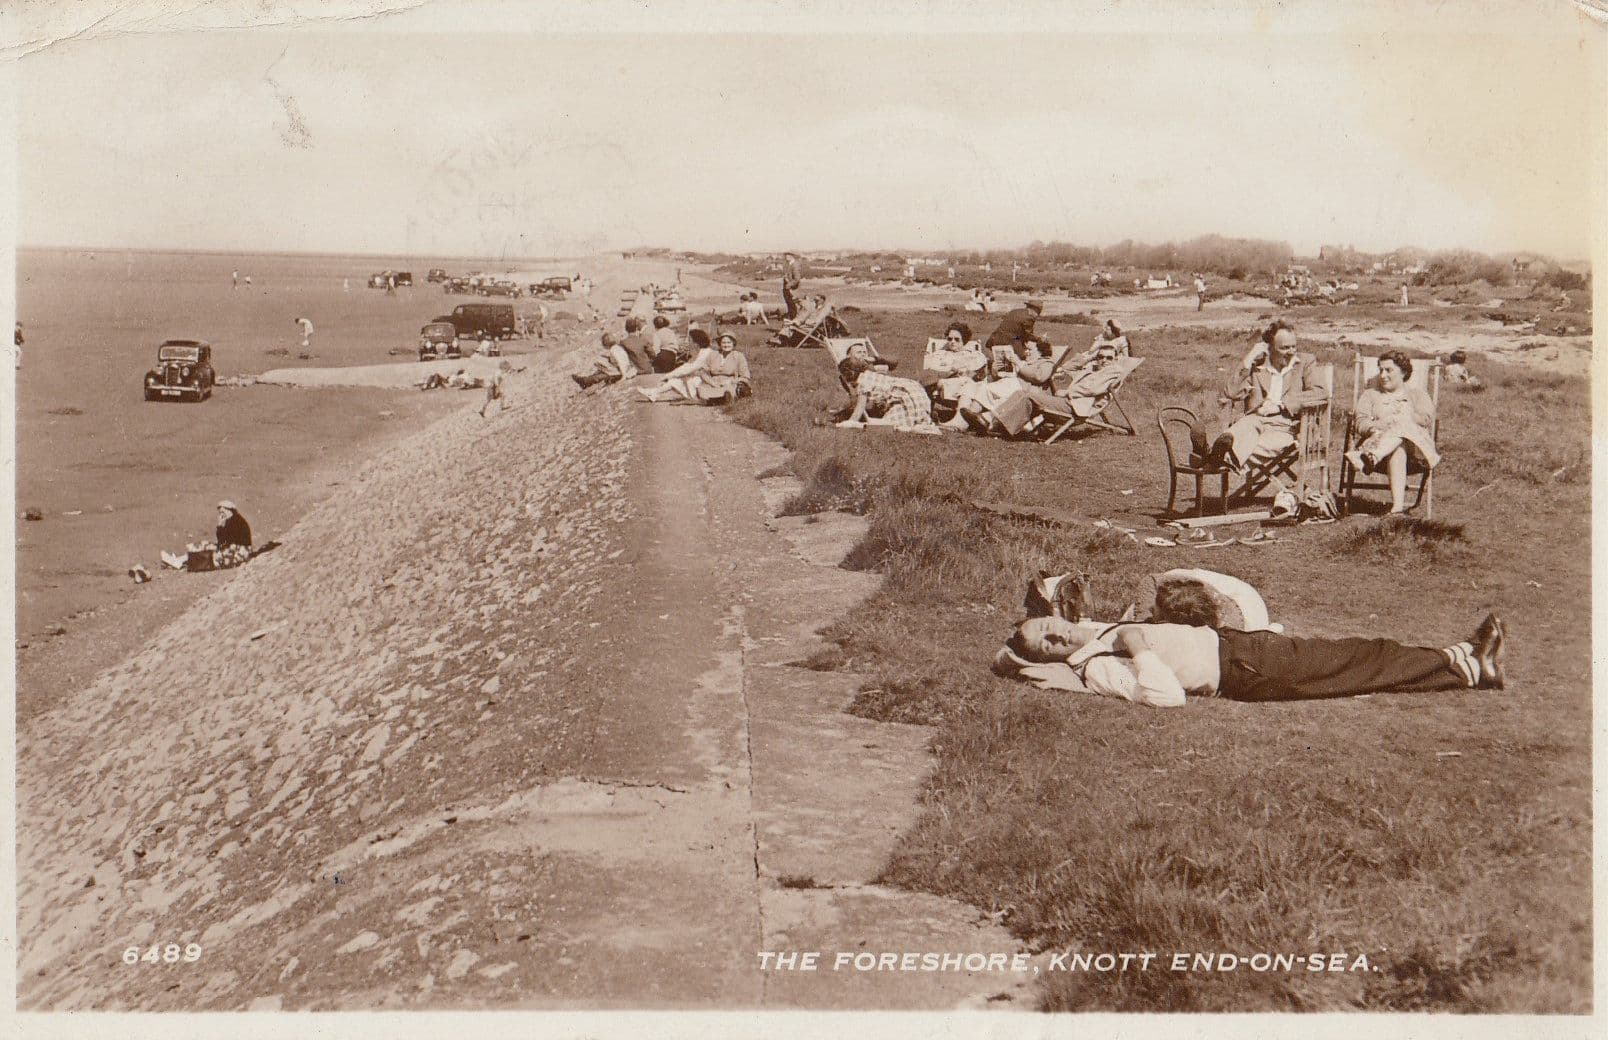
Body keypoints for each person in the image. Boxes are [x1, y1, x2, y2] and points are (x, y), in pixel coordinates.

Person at [993, 609, 1506, 708]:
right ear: (1051, 656)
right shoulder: (1097, 665)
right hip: (1242, 667)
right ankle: (1462, 656)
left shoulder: (1094, 630)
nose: (1056, 634)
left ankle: (1466, 670)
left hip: (1240, 649)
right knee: (1360, 657)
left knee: (1356, 671)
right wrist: (1139, 646)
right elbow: (1166, 698)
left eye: (1048, 624)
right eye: (1046, 643)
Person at [1209, 321, 1328, 516]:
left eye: (1293, 346)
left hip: (1288, 425)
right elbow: (1231, 392)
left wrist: (1281, 405)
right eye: (1284, 348)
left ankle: (1215, 457)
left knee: (1254, 444)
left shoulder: (1305, 362)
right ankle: (1220, 450)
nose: (1291, 352)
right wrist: (1248, 359)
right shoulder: (1258, 365)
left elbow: (1320, 392)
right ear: (1270, 347)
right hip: (1256, 419)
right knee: (1244, 425)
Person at [1345, 350, 1440, 514]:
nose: (1382, 375)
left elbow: (1426, 419)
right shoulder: (1370, 395)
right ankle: (1397, 509)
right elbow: (1360, 422)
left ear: (1403, 372)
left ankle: (1372, 457)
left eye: (1388, 370)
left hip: (1416, 452)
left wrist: (1404, 418)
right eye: (1380, 370)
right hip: (1380, 443)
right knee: (1398, 447)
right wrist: (1375, 428)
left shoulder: (1418, 395)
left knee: (1402, 424)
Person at [836, 353, 939, 433]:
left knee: (890, 425)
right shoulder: (871, 375)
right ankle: (922, 423)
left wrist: (849, 422)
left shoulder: (862, 383)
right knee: (909, 418)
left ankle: (913, 428)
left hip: (904, 396)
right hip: (916, 391)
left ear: (848, 374)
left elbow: (860, 408)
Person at [160, 501, 256, 573]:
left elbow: (223, 542)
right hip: (233, 549)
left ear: (229, 510)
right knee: (204, 544)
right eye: (220, 512)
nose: (221, 514)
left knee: (210, 553)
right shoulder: (231, 520)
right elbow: (223, 542)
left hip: (239, 552)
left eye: (222, 511)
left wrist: (220, 525)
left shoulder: (236, 522)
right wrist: (220, 525)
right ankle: (179, 560)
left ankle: (180, 562)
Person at [984, 298, 1050, 360]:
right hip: (1011, 339)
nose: (1037, 315)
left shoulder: (1014, 311)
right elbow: (1028, 335)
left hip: (995, 338)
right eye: (1038, 312)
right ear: (1035, 309)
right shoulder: (1029, 317)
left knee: (1017, 338)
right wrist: (1040, 339)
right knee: (1025, 356)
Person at [572, 331, 637, 389]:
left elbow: (621, 362)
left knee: (603, 371)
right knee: (604, 371)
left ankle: (585, 381)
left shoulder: (613, 350)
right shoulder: (617, 347)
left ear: (606, 345)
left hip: (624, 372)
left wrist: (624, 376)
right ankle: (586, 381)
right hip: (628, 369)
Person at [782, 252, 803, 319]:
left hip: (792, 289)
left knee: (793, 304)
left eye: (788, 255)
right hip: (788, 287)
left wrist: (789, 285)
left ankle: (794, 318)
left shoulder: (795, 265)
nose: (786, 256)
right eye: (786, 255)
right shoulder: (789, 264)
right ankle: (791, 317)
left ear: (792, 256)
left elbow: (797, 279)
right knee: (789, 303)